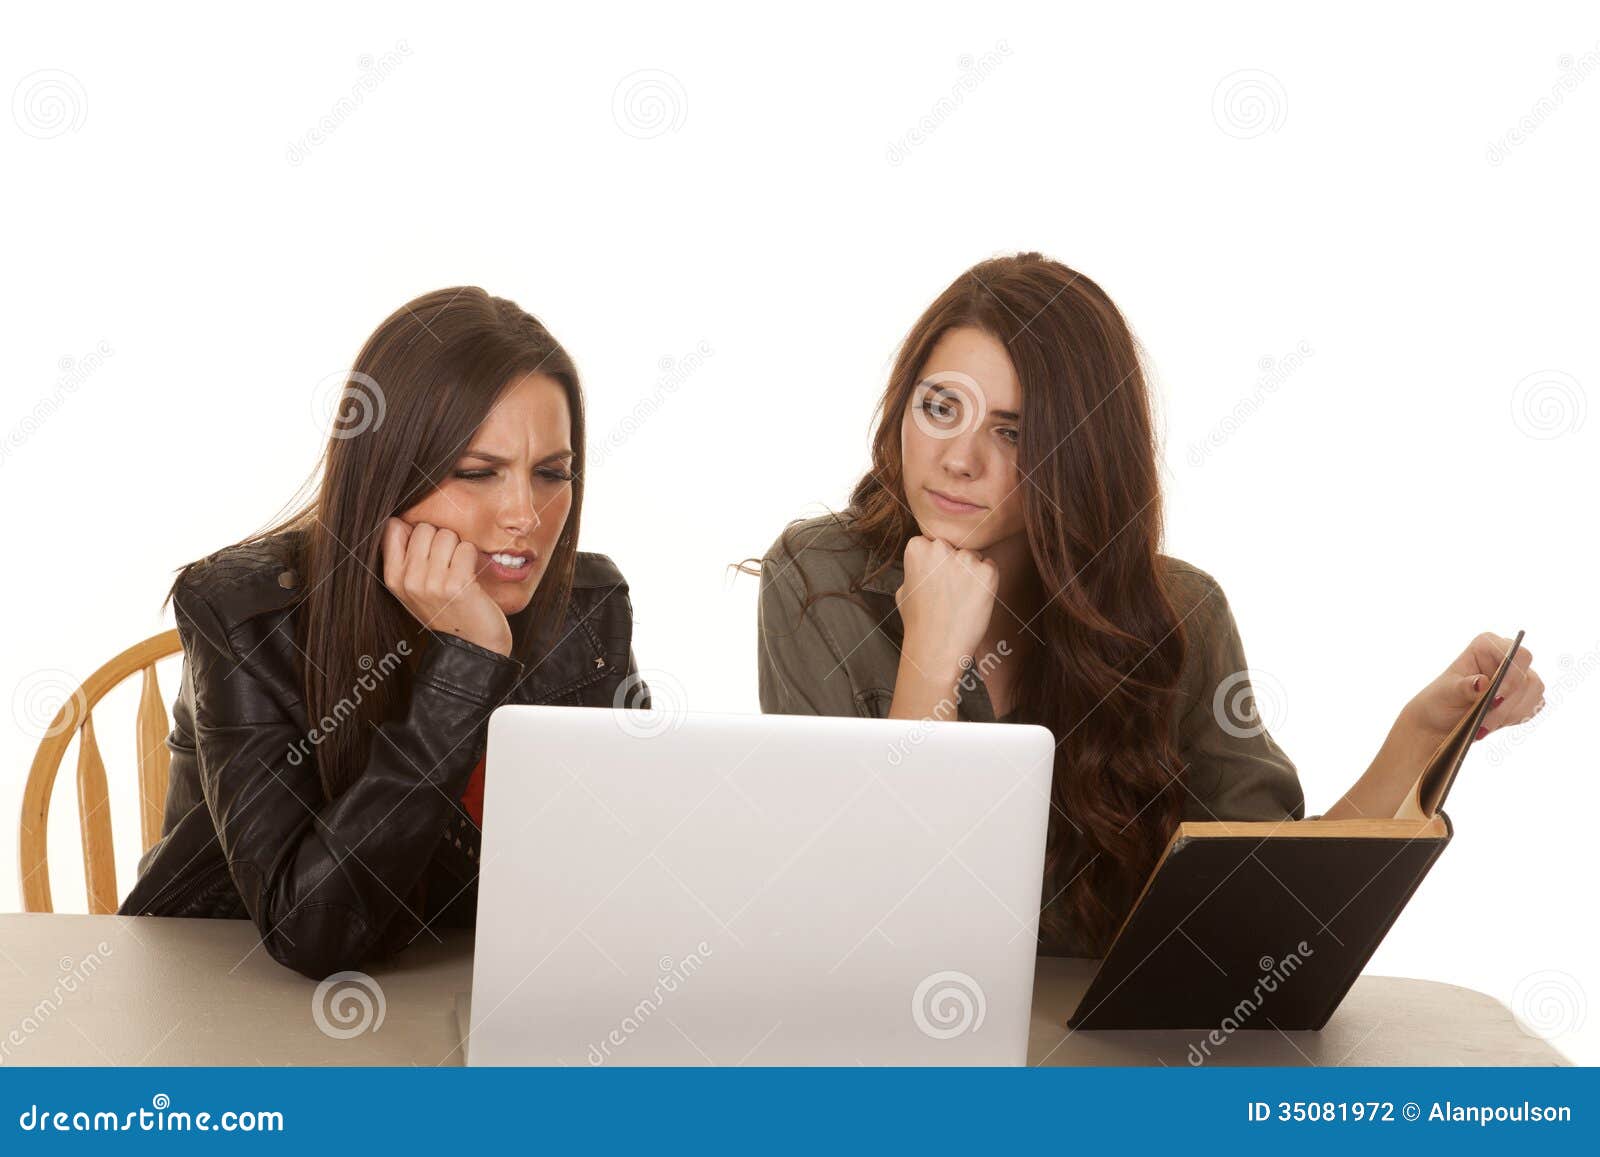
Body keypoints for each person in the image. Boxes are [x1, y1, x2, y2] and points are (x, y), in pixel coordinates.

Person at [750, 252, 1544, 957]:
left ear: (1081, 455)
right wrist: (929, 666)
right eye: (940, 407)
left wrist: (1420, 738)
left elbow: (1268, 912)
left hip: (1113, 1062)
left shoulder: (1182, 614)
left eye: (1015, 432)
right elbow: (856, 927)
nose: (959, 459)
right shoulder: (820, 581)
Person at [119, 287, 647, 979]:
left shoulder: (588, 608)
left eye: (552, 472)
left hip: (461, 989)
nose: (525, 513)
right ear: (386, 476)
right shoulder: (242, 616)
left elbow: (633, 877)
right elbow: (314, 934)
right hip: (232, 1000)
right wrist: (470, 661)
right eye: (478, 473)